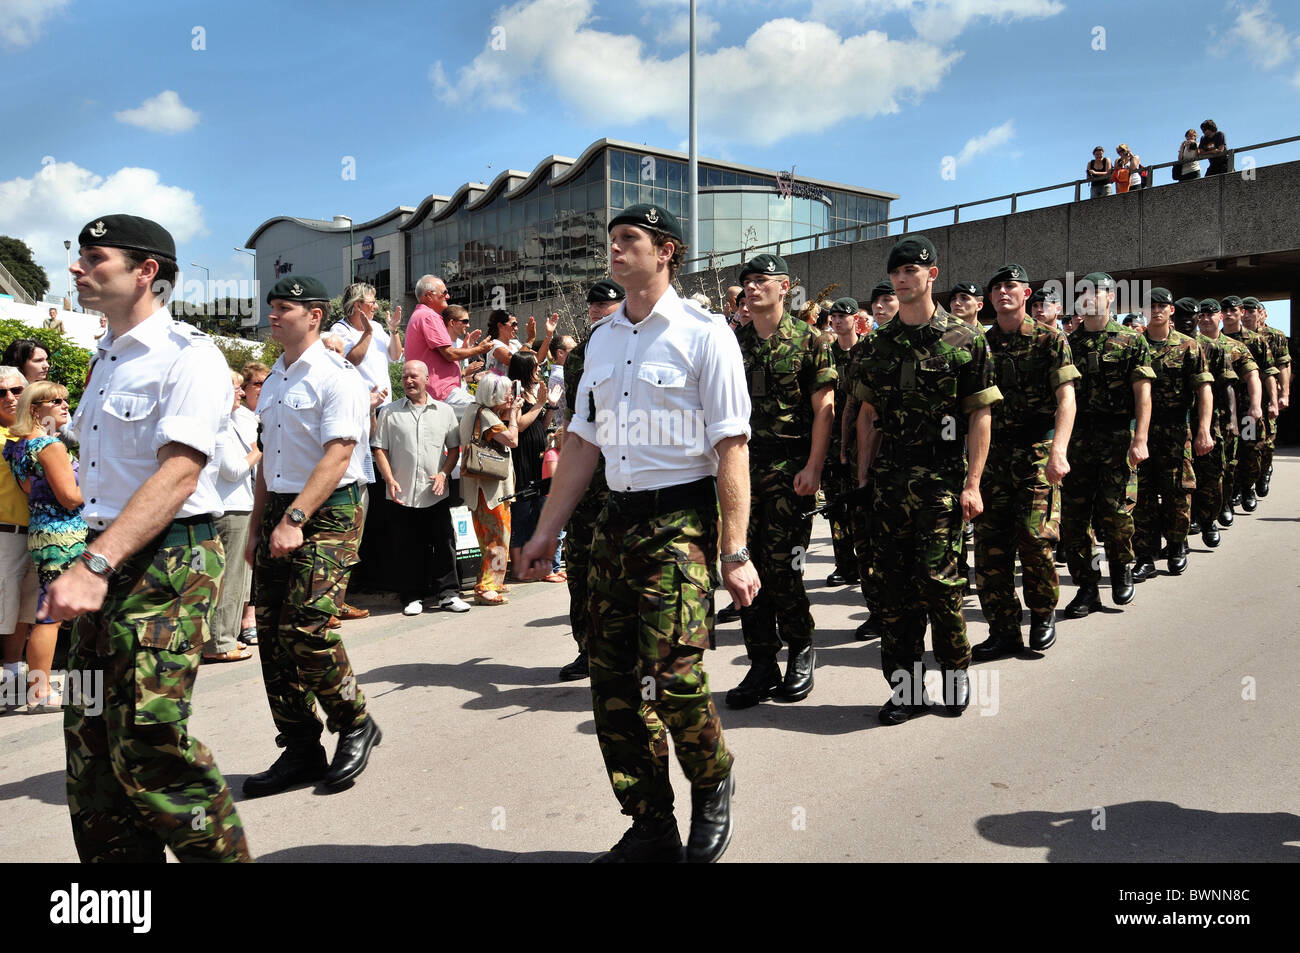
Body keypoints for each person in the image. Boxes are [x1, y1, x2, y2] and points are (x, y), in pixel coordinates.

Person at [518, 203, 758, 863]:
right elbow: (582, 443)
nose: (615, 250)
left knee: (675, 674)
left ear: (667, 251)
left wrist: (734, 550)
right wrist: (545, 533)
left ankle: (712, 778)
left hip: (680, 517)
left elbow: (732, 446)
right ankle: (650, 820)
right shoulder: (600, 342)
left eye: (630, 240)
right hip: (614, 522)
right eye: (612, 240)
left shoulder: (705, 334)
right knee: (614, 679)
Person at [44, 213, 249, 861]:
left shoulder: (189, 357)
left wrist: (94, 563)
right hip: (102, 553)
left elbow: (181, 471)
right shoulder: (105, 358)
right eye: (78, 256)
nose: (78, 267)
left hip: (167, 557)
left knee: (150, 744)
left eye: (94, 256)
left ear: (146, 272)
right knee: (91, 746)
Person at [851, 236, 1001, 723]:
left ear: (932, 274)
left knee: (938, 583)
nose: (903, 277)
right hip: (890, 476)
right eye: (896, 271)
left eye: (913, 269)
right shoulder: (877, 344)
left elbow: (979, 415)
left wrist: (973, 483)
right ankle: (907, 691)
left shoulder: (966, 338)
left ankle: (955, 672)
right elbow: (867, 415)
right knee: (893, 590)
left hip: (941, 475)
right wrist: (860, 482)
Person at [242, 274, 381, 798]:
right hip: (280, 505)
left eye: (285, 308)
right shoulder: (276, 378)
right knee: (273, 641)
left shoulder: (336, 376)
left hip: (330, 509)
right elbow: (267, 463)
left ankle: (354, 722)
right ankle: (300, 746)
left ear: (314, 316)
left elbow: (340, 454)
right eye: (272, 307)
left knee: (307, 627)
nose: (274, 315)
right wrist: (260, 523)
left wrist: (293, 520)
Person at [726, 253, 835, 710]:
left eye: (761, 281)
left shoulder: (809, 340)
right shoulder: (733, 343)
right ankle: (762, 663)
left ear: (785, 286)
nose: (752, 288)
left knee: (783, 569)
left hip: (790, 471)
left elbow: (824, 409)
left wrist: (814, 467)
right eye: (747, 282)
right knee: (744, 570)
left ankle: (801, 649)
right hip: (742, 472)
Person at [970, 264, 1078, 662]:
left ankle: (1043, 614)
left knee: (1035, 540)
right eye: (996, 287)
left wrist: (1059, 450)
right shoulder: (981, 343)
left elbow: (1067, 398)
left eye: (1010, 286)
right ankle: (1003, 629)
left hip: (1036, 452)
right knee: (989, 546)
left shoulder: (1051, 340)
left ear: (1026, 293)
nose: (1003, 292)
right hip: (993, 454)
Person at [1059, 273, 1154, 619]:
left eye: (1095, 292)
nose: (1087, 297)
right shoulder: (1069, 343)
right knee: (1074, 518)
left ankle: (1121, 568)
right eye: (1082, 292)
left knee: (1115, 512)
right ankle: (1086, 586)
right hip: (1078, 440)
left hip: (1116, 437)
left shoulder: (1131, 341)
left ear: (1111, 298)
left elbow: (1143, 393)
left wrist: (1140, 437)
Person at [554, 278, 624, 681]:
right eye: (594, 307)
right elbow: (573, 418)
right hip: (586, 479)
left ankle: (621, 651)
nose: (598, 311)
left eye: (606, 306)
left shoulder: (636, 348)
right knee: (579, 566)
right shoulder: (577, 357)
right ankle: (587, 648)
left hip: (623, 477)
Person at [5, 379, 87, 707]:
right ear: (36, 410)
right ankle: (40, 691)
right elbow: (70, 497)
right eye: (57, 402)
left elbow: (30, 490)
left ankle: (43, 687)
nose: (66, 405)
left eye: (66, 400)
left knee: (51, 610)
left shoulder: (17, 445)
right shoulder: (49, 446)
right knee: (51, 614)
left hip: (43, 531)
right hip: (64, 534)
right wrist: (101, 490)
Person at [372, 360, 469, 615]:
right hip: (401, 493)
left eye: (414, 376)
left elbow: (454, 449)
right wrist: (389, 478)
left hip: (434, 492)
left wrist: (443, 474)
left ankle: (448, 594)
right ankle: (412, 596)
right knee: (407, 547)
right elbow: (379, 449)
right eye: (405, 377)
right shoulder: (389, 413)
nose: (409, 381)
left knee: (444, 542)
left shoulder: (444, 411)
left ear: (426, 379)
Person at [1131, 288, 1212, 582]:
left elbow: (1204, 389)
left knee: (1178, 491)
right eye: (1150, 306)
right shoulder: (1134, 344)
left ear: (1171, 310)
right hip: (1140, 429)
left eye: (1161, 305)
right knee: (1142, 494)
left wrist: (1203, 429)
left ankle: (1176, 545)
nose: (1156, 310)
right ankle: (1144, 555)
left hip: (1176, 428)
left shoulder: (1189, 346)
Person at [205, 369, 260, 662]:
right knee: (229, 579)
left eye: (241, 388)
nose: (241, 393)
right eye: (236, 388)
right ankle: (219, 642)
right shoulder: (218, 426)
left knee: (240, 578)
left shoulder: (234, 421)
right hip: (229, 508)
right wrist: (258, 450)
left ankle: (227, 636)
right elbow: (234, 469)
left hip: (241, 505)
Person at [1175, 297, 1237, 548]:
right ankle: (1181, 531)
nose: (1189, 320)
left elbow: (1228, 386)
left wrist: (1232, 419)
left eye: (1194, 315)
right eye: (1182, 315)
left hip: (1208, 422)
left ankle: (1209, 521)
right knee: (1178, 483)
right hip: (1175, 425)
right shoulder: (1164, 346)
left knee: (1210, 476)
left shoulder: (1212, 348)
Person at [0, 367, 43, 711]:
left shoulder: (32, 434)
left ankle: (13, 678)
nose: (10, 398)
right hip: (4, 536)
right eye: (1, 393)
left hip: (36, 533)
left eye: (16, 390)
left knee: (25, 612)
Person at [1197, 299, 1260, 528]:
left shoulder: (1240, 345)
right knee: (1212, 464)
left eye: (1210, 314)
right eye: (1201, 315)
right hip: (1206, 414)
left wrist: (1257, 405)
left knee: (1249, 451)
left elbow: (1256, 375)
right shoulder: (1193, 345)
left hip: (1241, 412)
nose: (1205, 319)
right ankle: (1214, 507)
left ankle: (1247, 488)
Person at [458, 374, 518, 605]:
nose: (510, 396)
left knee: (491, 535)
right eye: (507, 392)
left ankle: (495, 579)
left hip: (482, 486)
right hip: (489, 487)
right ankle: (486, 586)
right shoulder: (485, 416)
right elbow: (512, 439)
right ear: (494, 395)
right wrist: (512, 414)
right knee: (497, 536)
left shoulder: (476, 411)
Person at [1221, 294, 1277, 512]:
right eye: (1224, 311)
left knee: (1250, 450)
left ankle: (1248, 487)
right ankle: (1232, 492)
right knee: (1227, 454)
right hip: (1224, 408)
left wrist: (1272, 401)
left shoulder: (1255, 341)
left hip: (1247, 408)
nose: (1228, 315)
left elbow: (1268, 373)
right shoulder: (1213, 341)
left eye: (1233, 311)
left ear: (1241, 313)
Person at [405, 275, 493, 409]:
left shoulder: (421, 315)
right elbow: (449, 354)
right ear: (429, 295)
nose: (448, 296)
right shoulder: (429, 316)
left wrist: (466, 349)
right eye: (444, 292)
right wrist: (480, 349)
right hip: (442, 391)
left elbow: (446, 354)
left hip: (439, 392)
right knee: (485, 411)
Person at [823, 296, 862, 588]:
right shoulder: (826, 354)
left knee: (861, 507)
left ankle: (865, 562)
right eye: (833, 316)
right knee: (836, 508)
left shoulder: (866, 352)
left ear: (855, 320)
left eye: (842, 316)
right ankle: (844, 564)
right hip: (832, 442)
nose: (837, 321)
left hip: (862, 443)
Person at [506, 351, 552, 578]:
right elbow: (520, 425)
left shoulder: (532, 393)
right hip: (521, 460)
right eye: (535, 367)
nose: (539, 370)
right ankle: (516, 567)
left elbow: (539, 426)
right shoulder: (514, 391)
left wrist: (549, 407)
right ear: (525, 369)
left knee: (536, 513)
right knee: (521, 514)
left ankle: (531, 564)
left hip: (537, 458)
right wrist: (540, 404)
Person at [234, 361, 269, 646]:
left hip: (271, 493)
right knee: (248, 561)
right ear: (244, 390)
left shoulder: (269, 414)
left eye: (266, 382)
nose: (263, 388)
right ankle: (248, 617)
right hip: (245, 497)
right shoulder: (239, 418)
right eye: (257, 383)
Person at [1242, 298, 1290, 498]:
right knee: (1248, 442)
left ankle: (1264, 472)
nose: (1248, 315)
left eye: (1252, 311)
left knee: (1267, 442)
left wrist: (1283, 394)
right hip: (1246, 398)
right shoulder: (1237, 336)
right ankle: (1247, 485)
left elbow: (1283, 365)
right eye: (1244, 311)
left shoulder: (1275, 336)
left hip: (1268, 396)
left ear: (1262, 313)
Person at [331, 282, 402, 405]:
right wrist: (368, 333)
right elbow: (351, 361)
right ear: (357, 305)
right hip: (360, 405)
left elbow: (395, 356)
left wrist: (393, 329)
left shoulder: (377, 327)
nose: (377, 306)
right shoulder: (339, 329)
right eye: (372, 302)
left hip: (385, 404)